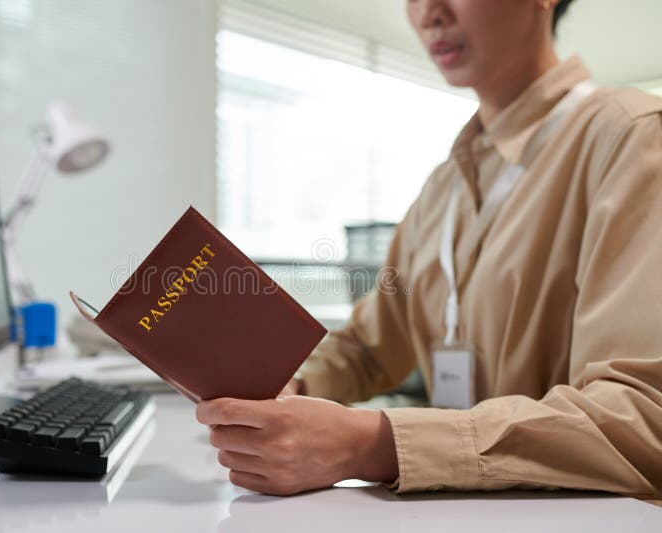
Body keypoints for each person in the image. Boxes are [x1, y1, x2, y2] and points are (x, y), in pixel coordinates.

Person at [196, 0, 662, 499]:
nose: (429, 14)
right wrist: (293, 385)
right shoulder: (444, 186)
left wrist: (375, 444)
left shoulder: (631, 138)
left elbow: (643, 416)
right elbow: (370, 344)